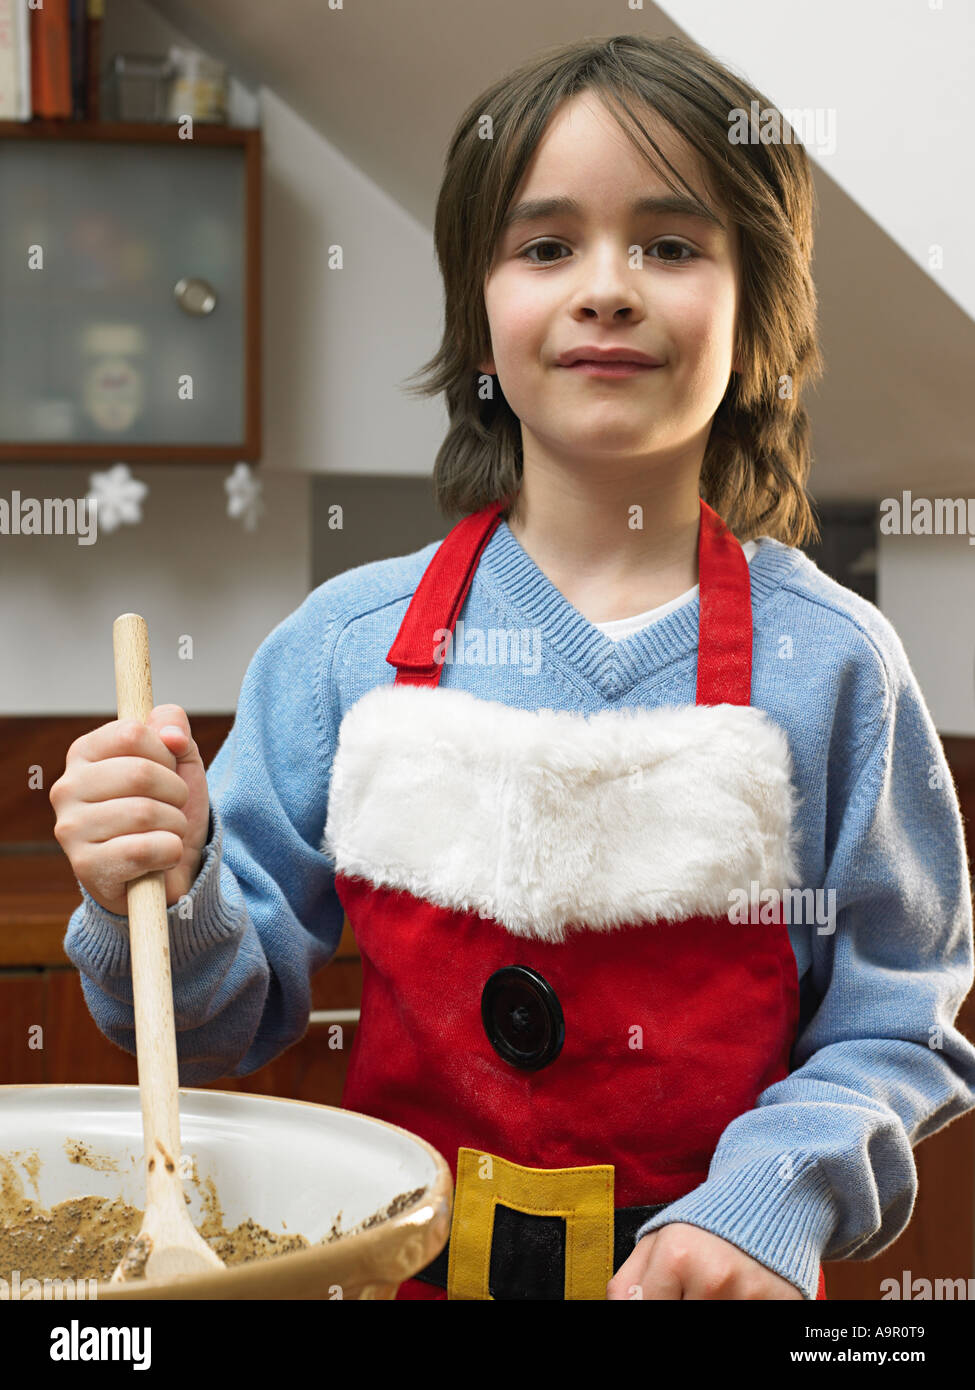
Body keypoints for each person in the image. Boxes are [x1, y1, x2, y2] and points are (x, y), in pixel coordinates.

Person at [52, 34, 975, 1301]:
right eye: (546, 248)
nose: (607, 288)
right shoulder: (341, 647)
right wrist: (149, 887)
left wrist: (770, 1202)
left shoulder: (836, 666)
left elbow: (896, 1023)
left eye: (671, 243)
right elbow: (218, 1023)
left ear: (759, 311)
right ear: (480, 318)